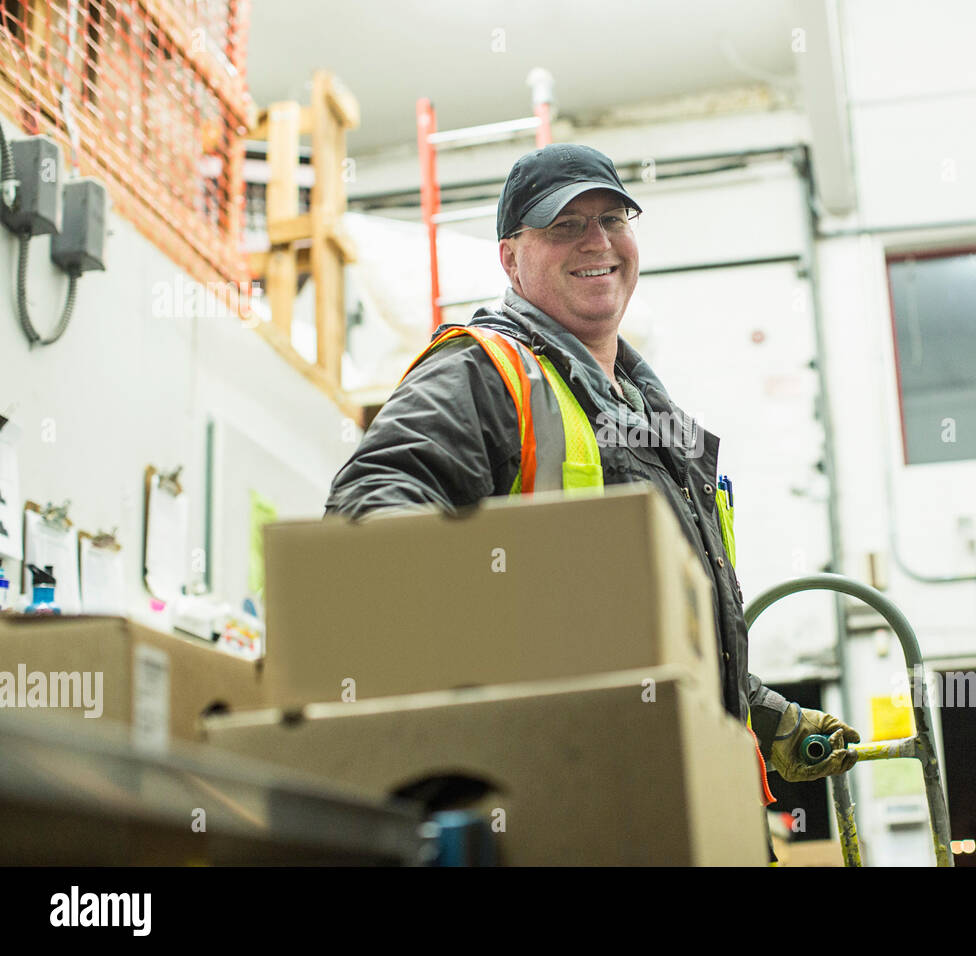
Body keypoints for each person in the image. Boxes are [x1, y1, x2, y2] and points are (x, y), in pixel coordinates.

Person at [324, 143, 860, 849]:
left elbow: (661, 642)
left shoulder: (650, 414)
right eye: (564, 226)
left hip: (672, 799)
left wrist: (767, 716)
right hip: (572, 801)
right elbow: (367, 508)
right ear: (511, 259)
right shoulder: (485, 370)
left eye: (613, 218)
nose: (598, 242)